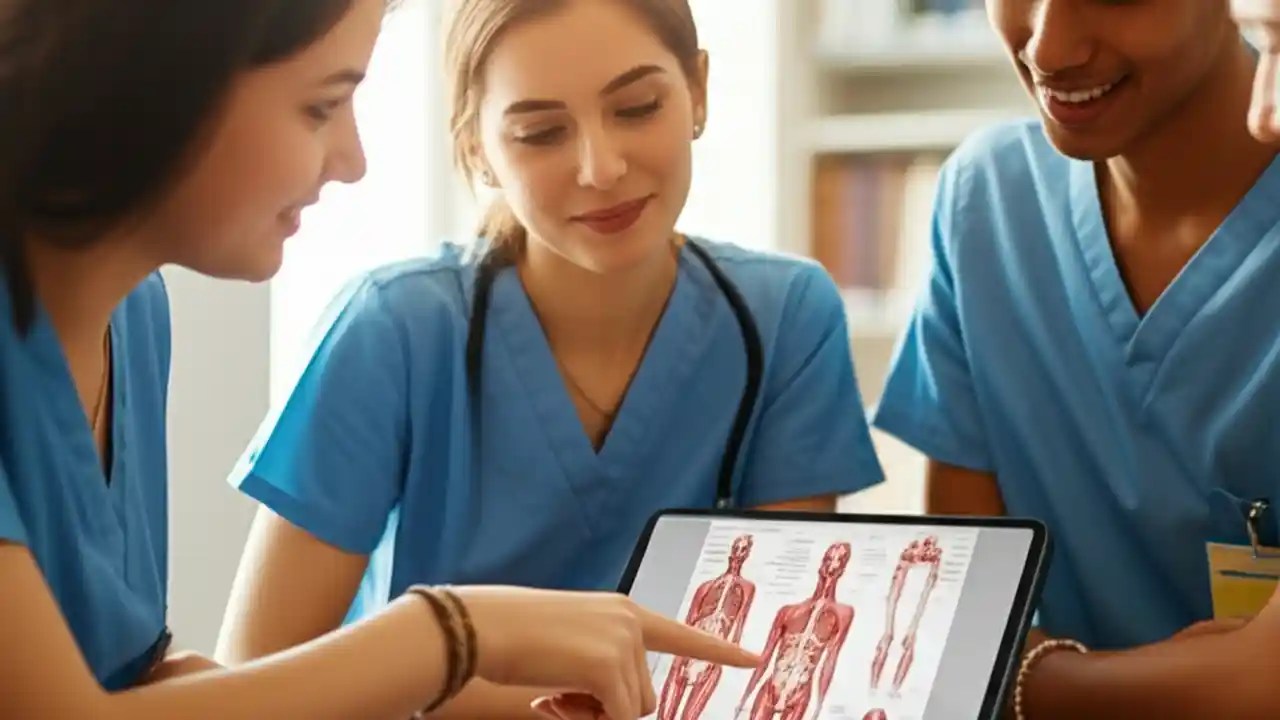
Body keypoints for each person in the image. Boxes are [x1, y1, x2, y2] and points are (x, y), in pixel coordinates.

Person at [0, 2, 759, 719]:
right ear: (160, 79)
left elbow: (131, 677)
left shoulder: (133, 316)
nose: (353, 161)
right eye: (320, 106)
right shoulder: (397, 320)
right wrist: (449, 632)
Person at [214, 0, 885, 716]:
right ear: (476, 148)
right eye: (540, 133)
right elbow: (254, 677)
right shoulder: (392, 328)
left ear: (698, 92)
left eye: (636, 108)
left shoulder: (783, 319)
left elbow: (767, 665)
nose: (602, 168)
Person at [871, 0, 1280, 717]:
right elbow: (955, 629)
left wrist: (1029, 682)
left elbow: (973, 676)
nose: (1050, 47)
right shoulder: (988, 202)